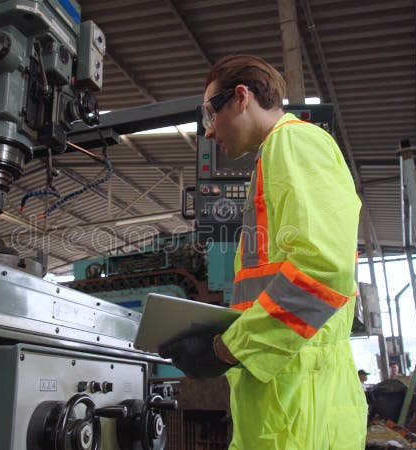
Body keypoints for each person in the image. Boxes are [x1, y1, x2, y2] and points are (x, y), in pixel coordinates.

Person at [159, 55, 366, 449]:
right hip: (287, 397)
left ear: (241, 97)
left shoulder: (295, 143)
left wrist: (225, 349)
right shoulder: (277, 155)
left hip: (298, 408)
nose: (207, 132)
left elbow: (322, 270)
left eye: (209, 113)